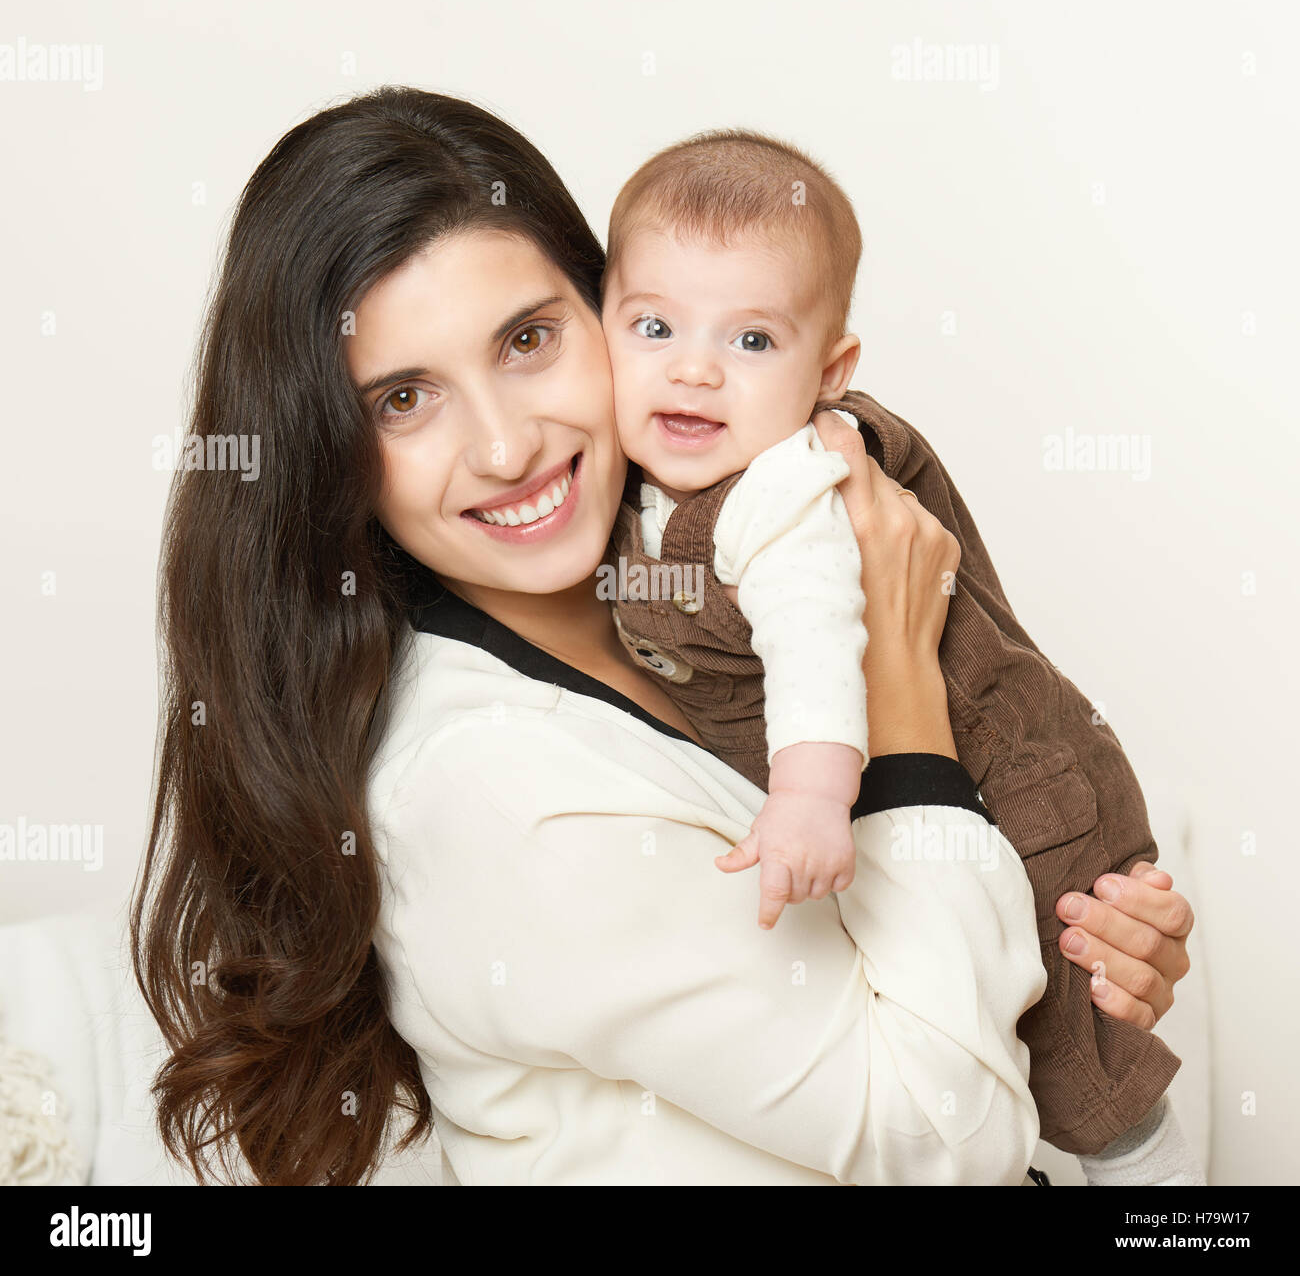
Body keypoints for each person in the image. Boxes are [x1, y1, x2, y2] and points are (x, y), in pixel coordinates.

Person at [131, 86, 1197, 1187]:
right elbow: (946, 1139)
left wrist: (1072, 952)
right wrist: (899, 683)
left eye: (529, 339)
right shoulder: (495, 789)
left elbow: (915, 973)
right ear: (325, 450)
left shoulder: (687, 590)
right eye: (404, 399)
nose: (504, 447)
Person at [598, 128, 1204, 1182]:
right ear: (602, 327)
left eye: (750, 343)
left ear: (828, 373)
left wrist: (806, 797)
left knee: (1077, 1062)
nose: (692, 368)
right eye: (654, 327)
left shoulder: (783, 489)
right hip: (925, 809)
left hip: (1016, 800)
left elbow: (817, 637)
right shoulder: (643, 495)